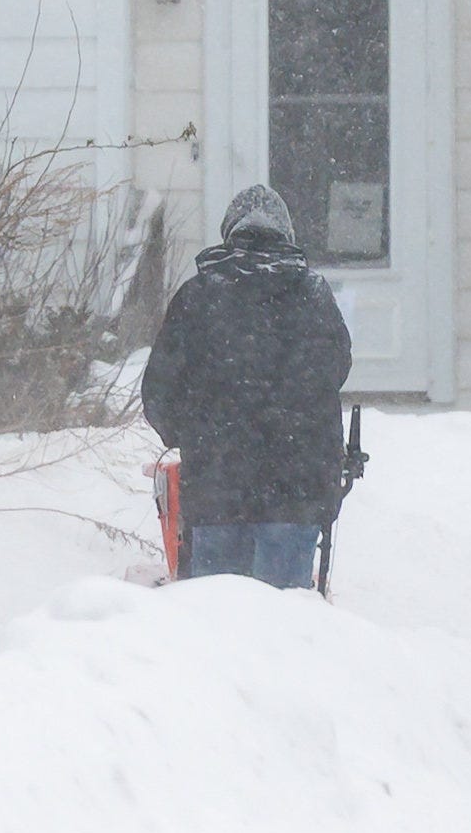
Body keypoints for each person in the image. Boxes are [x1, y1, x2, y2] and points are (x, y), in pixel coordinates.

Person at [142, 183, 354, 588]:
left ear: (229, 232)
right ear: (286, 235)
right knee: (285, 622)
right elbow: (335, 369)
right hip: (297, 490)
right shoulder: (312, 296)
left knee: (219, 621)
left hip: (217, 488)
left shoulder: (199, 296)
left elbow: (159, 391)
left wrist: (197, 434)